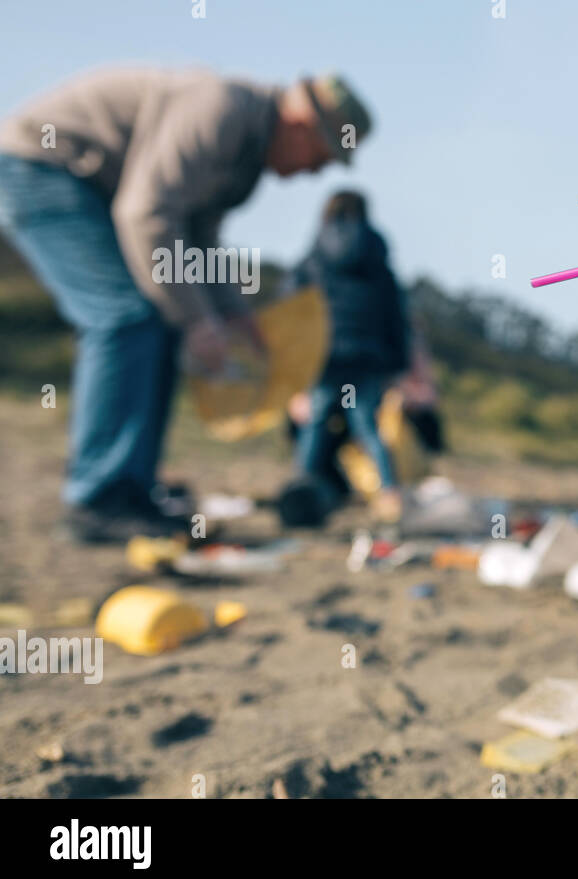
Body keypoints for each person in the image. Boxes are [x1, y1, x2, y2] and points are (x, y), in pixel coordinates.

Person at [0, 68, 371, 541]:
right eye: (322, 156)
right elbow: (146, 214)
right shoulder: (219, 111)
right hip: (40, 166)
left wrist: (232, 313)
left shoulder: (246, 158)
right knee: (125, 317)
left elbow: (197, 240)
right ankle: (99, 497)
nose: (316, 172)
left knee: (158, 319)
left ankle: (132, 489)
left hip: (97, 190)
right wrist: (197, 320)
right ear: (302, 122)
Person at [281, 190, 410, 526]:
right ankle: (390, 493)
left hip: (324, 356)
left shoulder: (313, 258)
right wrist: (398, 365)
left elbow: (291, 310)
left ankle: (302, 490)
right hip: (367, 356)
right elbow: (396, 316)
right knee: (367, 425)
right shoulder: (378, 261)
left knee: (315, 423)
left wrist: (292, 370)